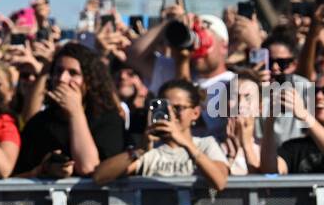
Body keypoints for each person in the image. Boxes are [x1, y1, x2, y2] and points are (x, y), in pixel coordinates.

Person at [94, 79, 228, 190]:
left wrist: (186, 144)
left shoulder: (206, 144)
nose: (171, 114)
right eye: (165, 108)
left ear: (196, 113)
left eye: (177, 108)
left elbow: (220, 182)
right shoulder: (150, 150)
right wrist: (140, 150)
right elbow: (99, 177)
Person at [15, 43, 123, 177]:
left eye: (73, 73)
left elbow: (88, 167)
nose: (62, 79)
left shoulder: (108, 121)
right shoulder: (39, 123)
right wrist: (43, 170)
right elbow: (15, 176)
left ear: (89, 80)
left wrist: (75, 112)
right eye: (58, 71)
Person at [258, 71, 324, 174]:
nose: (318, 96)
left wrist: (305, 116)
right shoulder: (293, 147)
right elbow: (271, 172)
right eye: (314, 91)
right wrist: (270, 118)